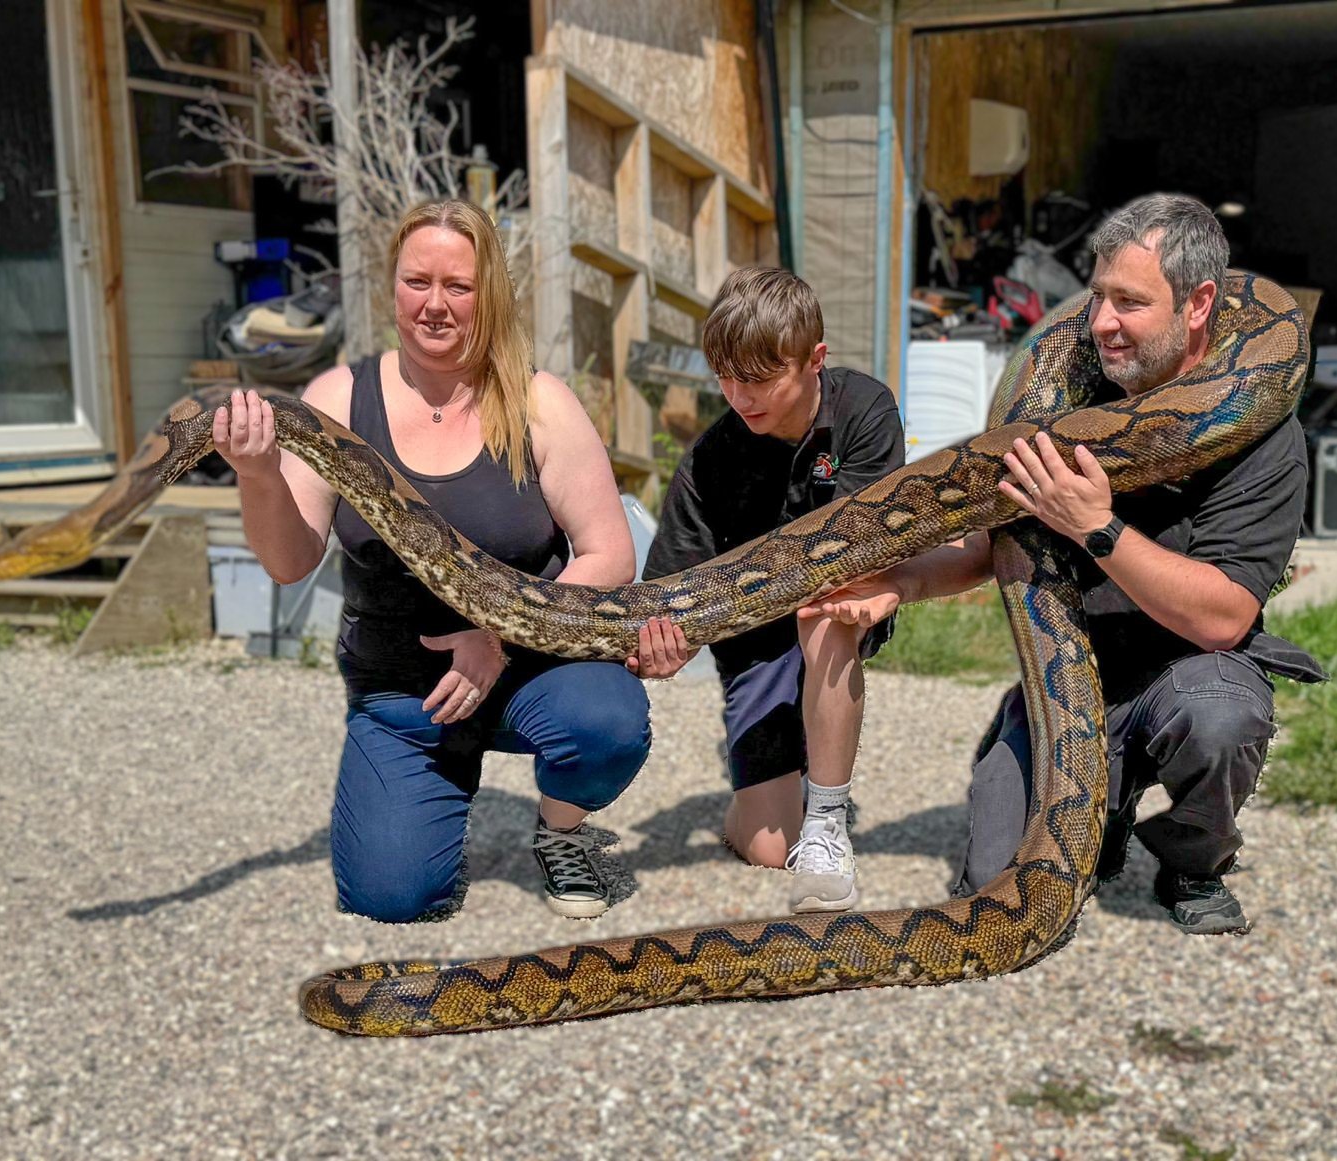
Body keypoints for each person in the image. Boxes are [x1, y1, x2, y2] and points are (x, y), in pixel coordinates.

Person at [805, 193, 1326, 935]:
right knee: (996, 888)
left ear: (1199, 304)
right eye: (1098, 296)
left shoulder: (1262, 435)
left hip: (1188, 668)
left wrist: (1095, 525)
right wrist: (900, 580)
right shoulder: (1063, 410)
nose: (1100, 321)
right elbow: (993, 540)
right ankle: (1100, 811)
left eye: (1130, 303)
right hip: (1071, 667)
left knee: (1220, 715)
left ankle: (1193, 860)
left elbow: (1223, 616)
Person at [212, 199, 652, 922]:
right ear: (393, 286)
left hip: (531, 673)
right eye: (418, 282)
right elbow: (290, 563)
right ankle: (433, 779)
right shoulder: (338, 401)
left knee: (605, 723)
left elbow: (610, 555)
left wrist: (497, 639)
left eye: (459, 286)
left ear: (490, 294)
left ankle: (562, 830)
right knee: (391, 898)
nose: (435, 305)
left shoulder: (538, 402)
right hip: (403, 692)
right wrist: (258, 475)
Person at [630, 266, 905, 913]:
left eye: (758, 378)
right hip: (753, 644)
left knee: (826, 606)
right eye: (725, 378)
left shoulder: (864, 410)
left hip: (843, 602)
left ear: (815, 359)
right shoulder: (708, 461)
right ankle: (779, 778)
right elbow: (663, 599)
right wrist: (658, 648)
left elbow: (860, 549)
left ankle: (828, 819)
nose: (739, 396)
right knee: (767, 846)